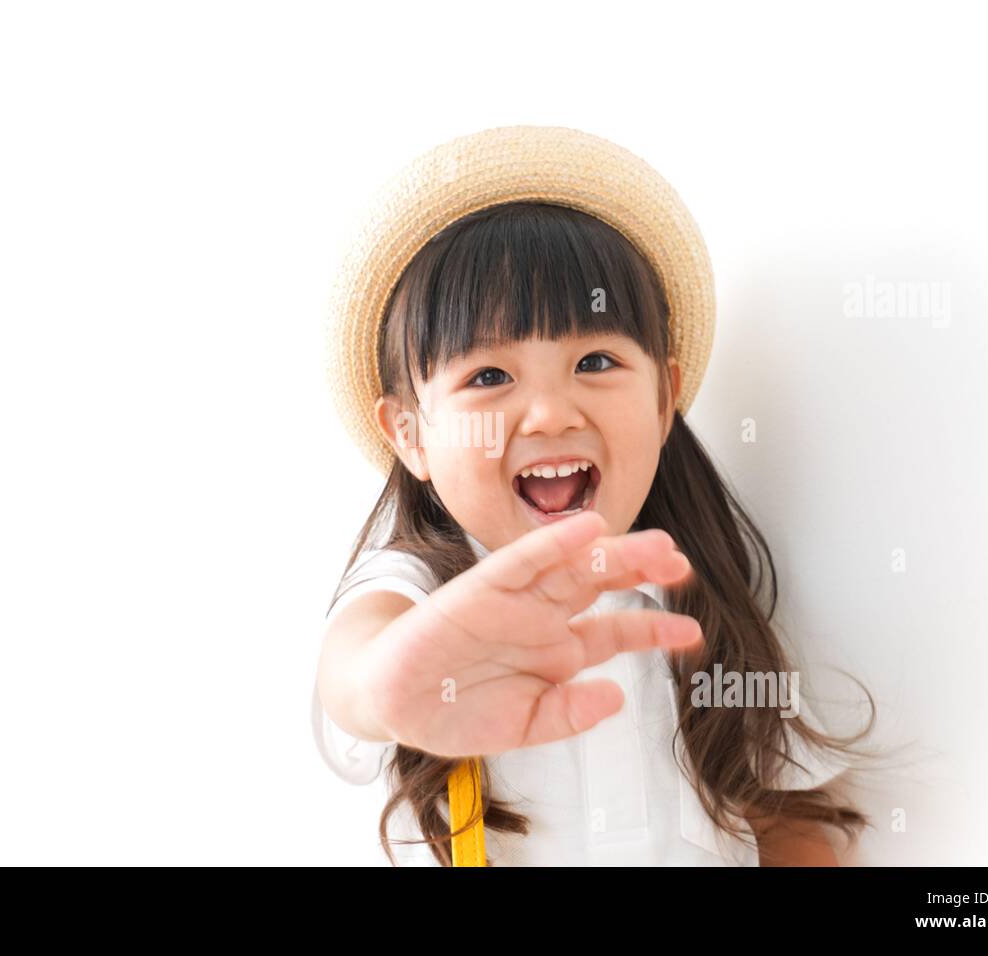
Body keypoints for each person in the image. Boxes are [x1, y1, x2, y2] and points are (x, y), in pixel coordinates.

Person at [313, 126, 875, 866]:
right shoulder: (418, 592)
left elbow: (783, 818)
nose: (551, 414)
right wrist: (387, 685)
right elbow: (356, 668)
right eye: (489, 376)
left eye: (596, 360)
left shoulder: (700, 601)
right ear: (411, 434)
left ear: (665, 395)